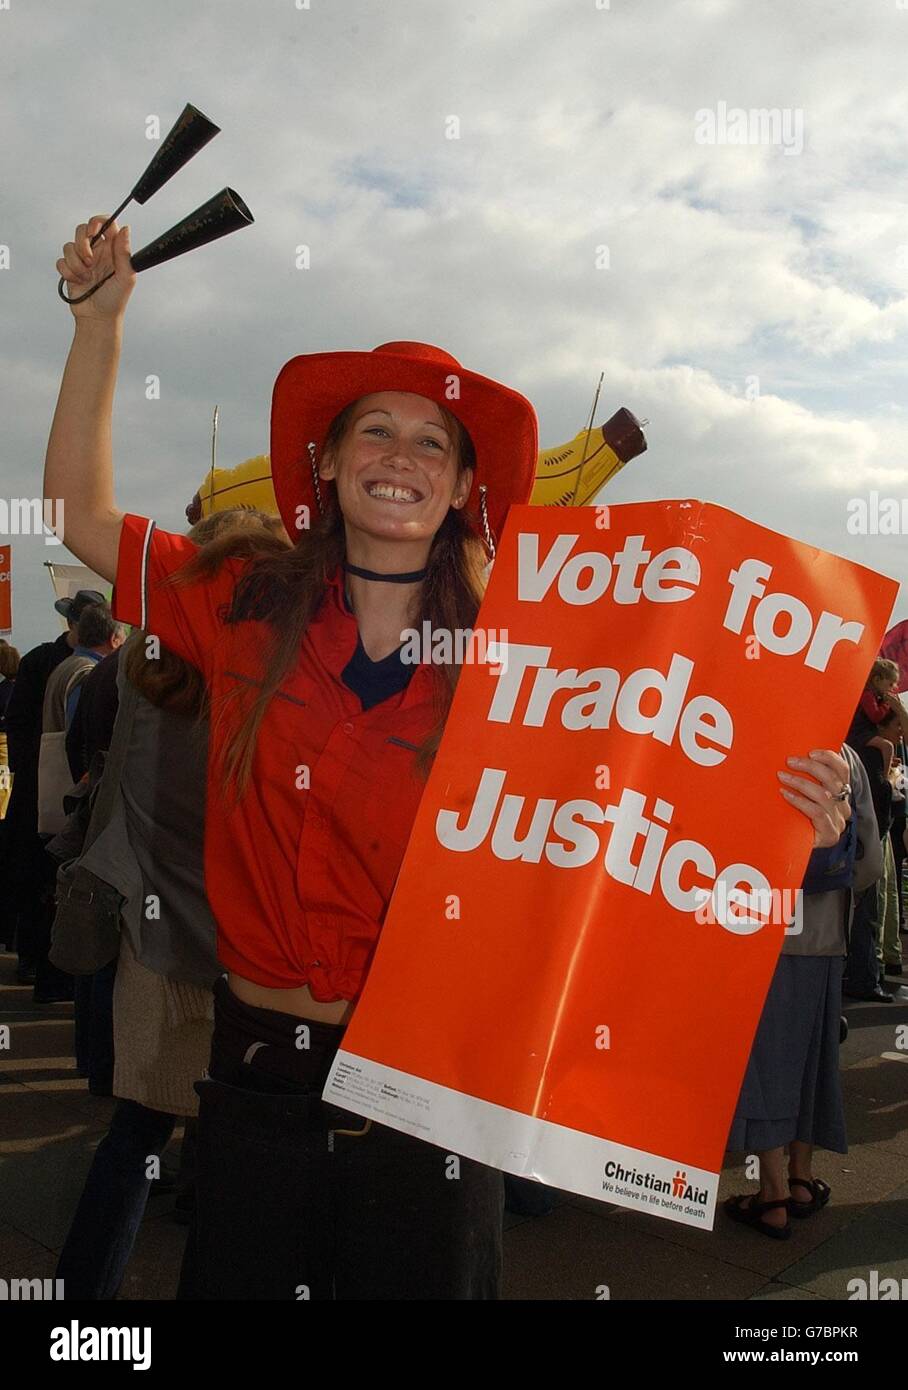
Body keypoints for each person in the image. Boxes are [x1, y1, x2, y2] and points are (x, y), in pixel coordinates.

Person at [47, 212, 852, 1300]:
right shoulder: (244, 601)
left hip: (432, 1088)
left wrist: (799, 802)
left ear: (462, 485)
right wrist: (101, 324)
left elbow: (655, 792)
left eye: (432, 442)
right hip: (255, 1079)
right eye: (373, 431)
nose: (400, 457)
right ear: (325, 463)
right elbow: (79, 513)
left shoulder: (522, 655)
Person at [57, 506, 288, 1299]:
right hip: (246, 947)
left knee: (137, 1133)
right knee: (248, 1149)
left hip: (153, 934)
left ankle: (80, 1308)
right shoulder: (268, 674)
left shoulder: (135, 669)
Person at [724, 744, 881, 1238]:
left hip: (755, 931)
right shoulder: (846, 755)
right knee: (813, 1061)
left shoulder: (747, 734)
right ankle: (801, 1180)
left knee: (767, 1065)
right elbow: (871, 862)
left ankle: (769, 1196)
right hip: (824, 936)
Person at [4, 589, 104, 995]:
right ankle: (33, 956)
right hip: (42, 785)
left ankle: (51, 964)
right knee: (35, 870)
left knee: (55, 874)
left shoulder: (57, 662)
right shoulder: (41, 661)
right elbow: (20, 722)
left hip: (62, 783)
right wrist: (31, 772)